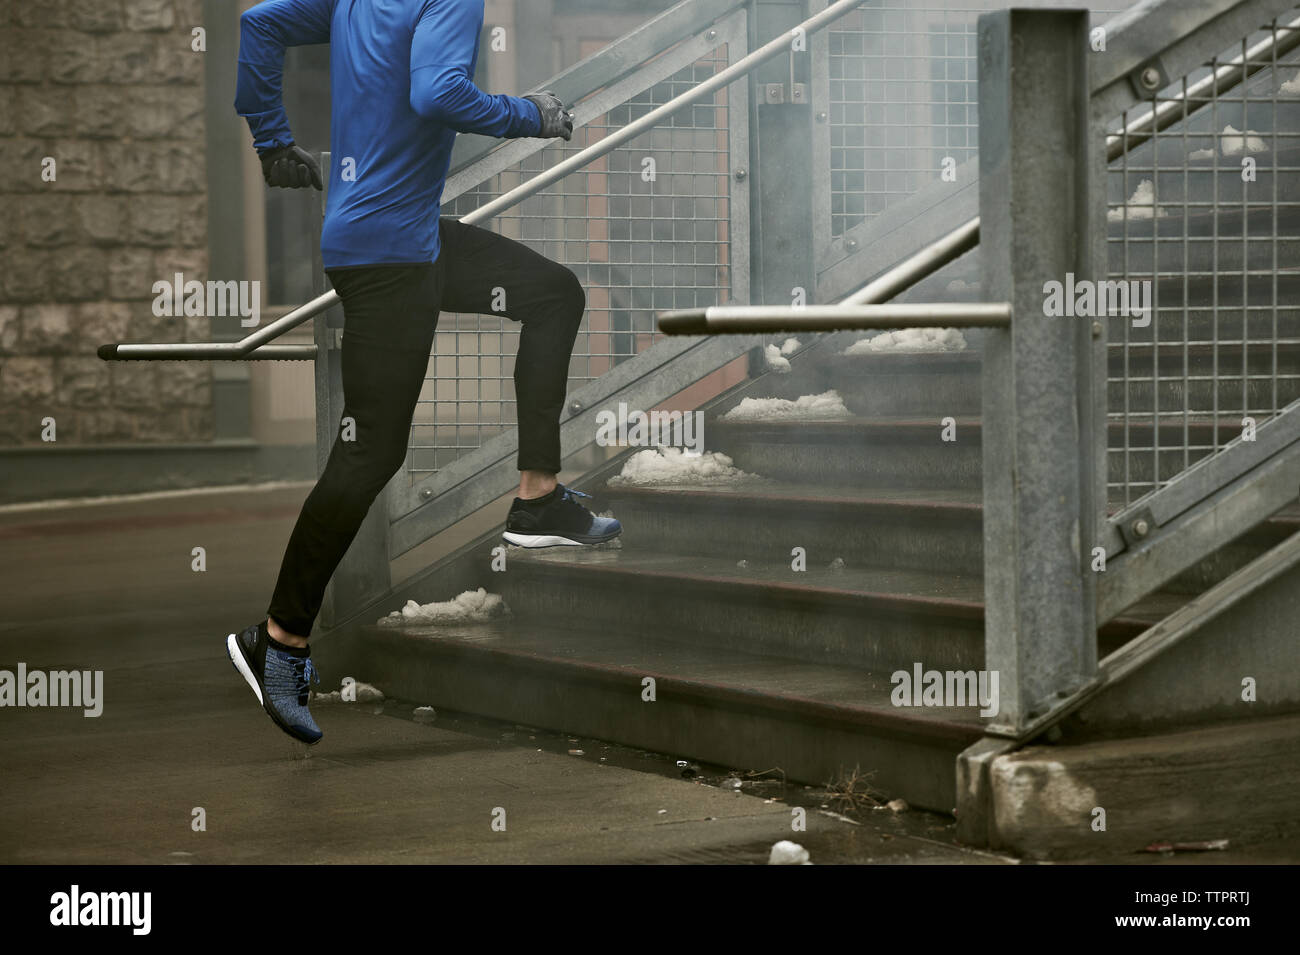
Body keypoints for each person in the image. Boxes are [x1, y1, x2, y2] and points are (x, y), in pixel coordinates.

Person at [225, 0, 621, 746]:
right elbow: (436, 92)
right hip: (391, 256)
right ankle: (278, 641)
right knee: (371, 451)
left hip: (398, 237)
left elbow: (259, 23)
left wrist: (272, 140)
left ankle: (537, 498)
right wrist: (530, 114)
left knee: (553, 292)